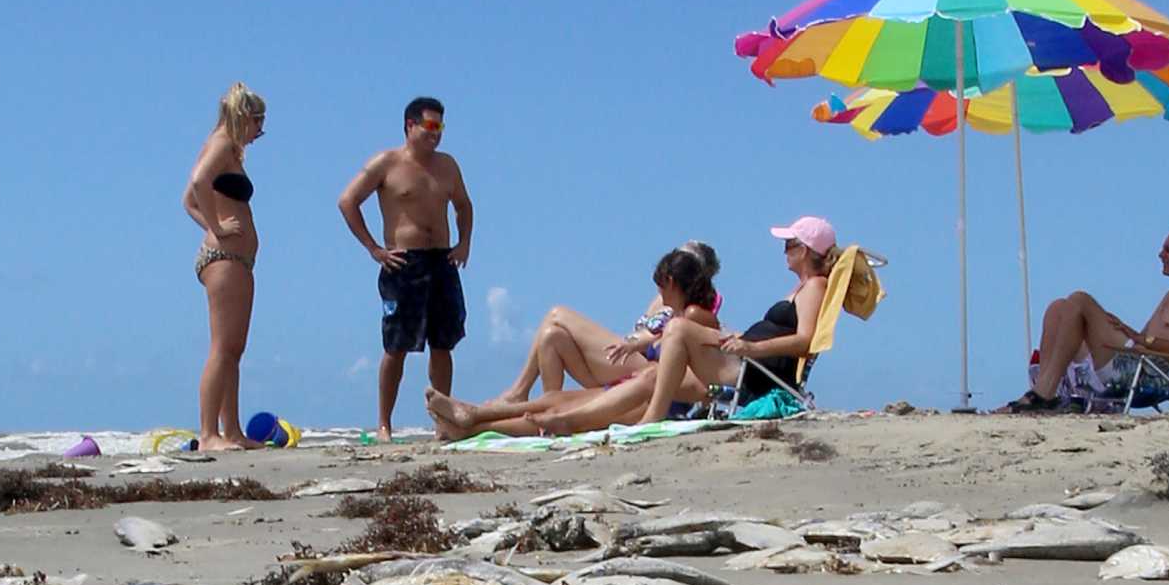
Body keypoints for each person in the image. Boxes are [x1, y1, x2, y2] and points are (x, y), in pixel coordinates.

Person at [426, 220, 837, 440]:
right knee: (557, 402)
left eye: (790, 244)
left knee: (564, 408)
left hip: (731, 382)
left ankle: (480, 417)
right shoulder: (800, 288)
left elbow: (802, 343)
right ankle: (472, 420)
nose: (784, 250)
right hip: (704, 376)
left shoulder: (813, 286)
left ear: (807, 251)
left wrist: (748, 348)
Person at [337, 97, 475, 440]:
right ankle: (384, 423)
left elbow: (463, 206)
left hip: (442, 260)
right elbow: (347, 201)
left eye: (440, 127)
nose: (436, 134)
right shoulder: (387, 163)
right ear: (410, 125)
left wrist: (464, 243)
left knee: (443, 345)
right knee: (396, 346)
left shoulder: (448, 166)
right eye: (429, 126)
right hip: (404, 264)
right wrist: (374, 249)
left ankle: (443, 422)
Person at [1003, 220, 1169, 413]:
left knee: (1080, 300)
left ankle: (1043, 395)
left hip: (1153, 376)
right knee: (1058, 308)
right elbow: (1144, 341)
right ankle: (1045, 389)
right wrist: (1122, 331)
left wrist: (1144, 340)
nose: (1161, 255)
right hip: (1138, 362)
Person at [493, 241, 721, 400]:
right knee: (552, 336)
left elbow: (681, 339)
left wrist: (638, 341)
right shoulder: (665, 301)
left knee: (558, 314)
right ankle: (548, 403)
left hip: (649, 370)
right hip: (631, 363)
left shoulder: (696, 310)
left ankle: (519, 391)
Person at [184, 82, 266, 451]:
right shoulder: (220, 143)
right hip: (224, 258)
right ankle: (208, 434)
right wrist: (217, 229)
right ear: (243, 116)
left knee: (234, 348)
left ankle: (231, 430)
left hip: (238, 259)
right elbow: (197, 184)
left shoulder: (229, 150)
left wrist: (212, 222)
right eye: (258, 121)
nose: (260, 131)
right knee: (221, 347)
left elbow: (189, 200)